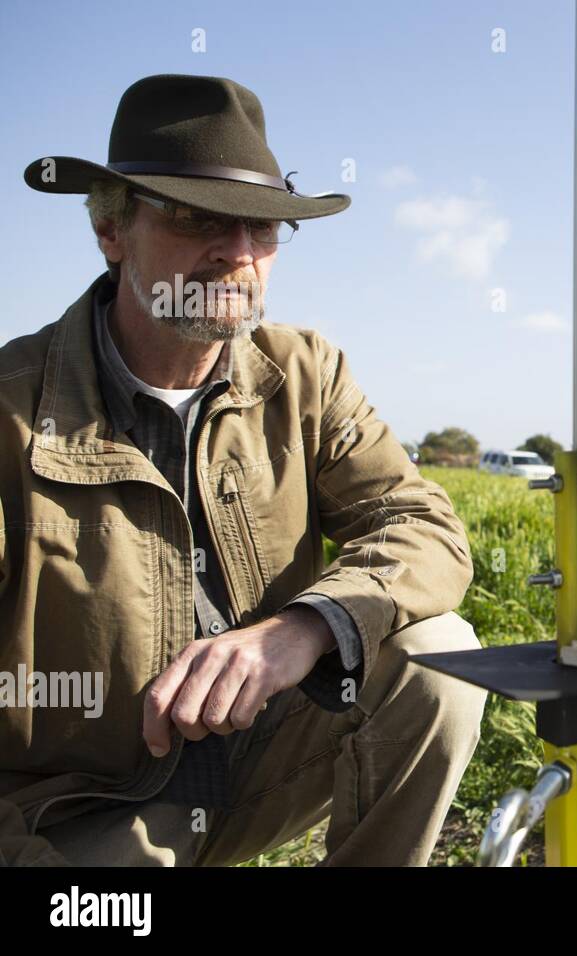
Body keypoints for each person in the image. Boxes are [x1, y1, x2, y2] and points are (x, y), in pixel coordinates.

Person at [0, 75, 486, 866]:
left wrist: (300, 630)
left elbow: (422, 526)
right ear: (111, 232)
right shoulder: (13, 413)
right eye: (195, 219)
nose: (237, 253)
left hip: (265, 761)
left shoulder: (304, 374)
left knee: (440, 659)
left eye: (262, 226)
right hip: (83, 811)